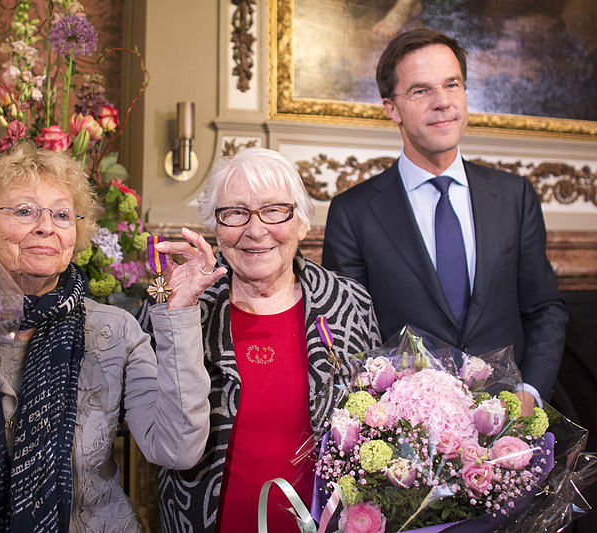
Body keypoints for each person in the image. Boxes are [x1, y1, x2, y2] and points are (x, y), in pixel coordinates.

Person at [0, 141, 218, 532]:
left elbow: (177, 448)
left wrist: (179, 313)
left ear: (77, 234)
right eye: (23, 211)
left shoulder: (114, 330)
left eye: (62, 214)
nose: (46, 226)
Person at [322, 28, 567, 417]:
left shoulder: (514, 196)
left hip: (509, 429)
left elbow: (544, 309)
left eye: (451, 84)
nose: (442, 102)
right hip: (406, 441)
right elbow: (348, 338)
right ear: (391, 108)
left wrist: (531, 392)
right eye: (420, 91)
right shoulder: (353, 213)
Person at [138, 147, 381, 532]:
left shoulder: (348, 304)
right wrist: (176, 309)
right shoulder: (183, 307)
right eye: (235, 213)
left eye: (274, 210)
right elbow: (158, 437)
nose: (255, 230)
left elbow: (376, 423)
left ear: (301, 223)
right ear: (216, 229)